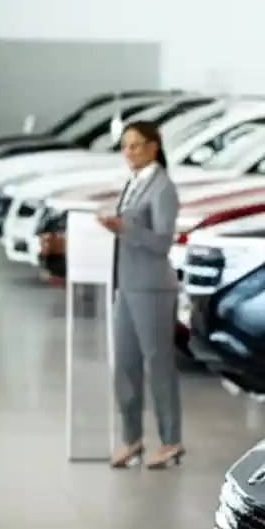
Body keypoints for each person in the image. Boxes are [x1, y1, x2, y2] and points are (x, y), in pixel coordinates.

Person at [101, 121, 184, 469]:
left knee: (158, 363)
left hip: (152, 288)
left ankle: (170, 440)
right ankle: (132, 438)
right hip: (127, 285)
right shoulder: (134, 183)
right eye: (125, 146)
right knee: (125, 364)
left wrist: (125, 228)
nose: (129, 152)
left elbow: (163, 241)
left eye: (136, 145)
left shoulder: (162, 187)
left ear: (153, 147)